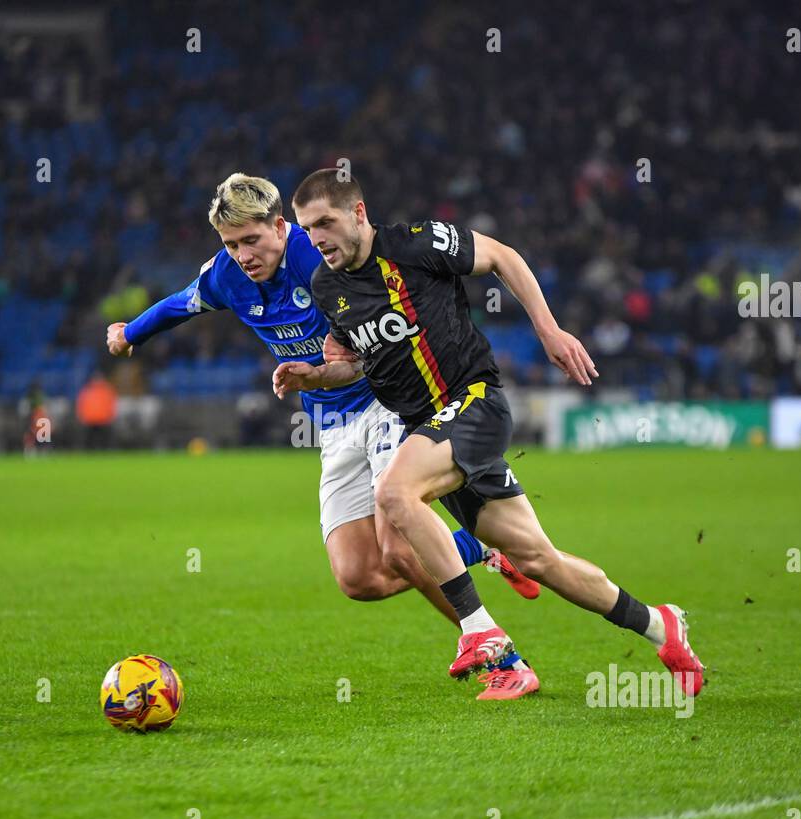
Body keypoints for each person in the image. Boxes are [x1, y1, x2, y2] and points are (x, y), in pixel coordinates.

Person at [278, 169, 704, 700]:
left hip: (474, 402)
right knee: (539, 559)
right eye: (307, 228)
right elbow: (352, 362)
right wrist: (315, 375)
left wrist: (548, 329)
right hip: (429, 431)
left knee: (393, 493)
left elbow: (504, 256)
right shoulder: (326, 285)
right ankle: (660, 625)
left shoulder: (414, 244)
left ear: (358, 214)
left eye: (325, 222)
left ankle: (480, 631)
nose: (316, 238)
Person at [106, 173, 538, 632]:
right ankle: (481, 547)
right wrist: (129, 334)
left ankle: (492, 648)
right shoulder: (226, 275)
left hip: (387, 404)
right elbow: (180, 304)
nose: (243, 255)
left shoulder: (320, 253)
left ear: (279, 226)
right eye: (231, 244)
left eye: (250, 240)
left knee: (399, 552)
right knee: (361, 578)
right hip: (331, 423)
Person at [76, 371, 118, 449]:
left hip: (103, 420)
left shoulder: (107, 390)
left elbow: (111, 405)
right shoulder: (87, 391)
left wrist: (110, 416)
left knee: (105, 439)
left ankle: (106, 450)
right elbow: (81, 405)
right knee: (88, 440)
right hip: (91, 420)